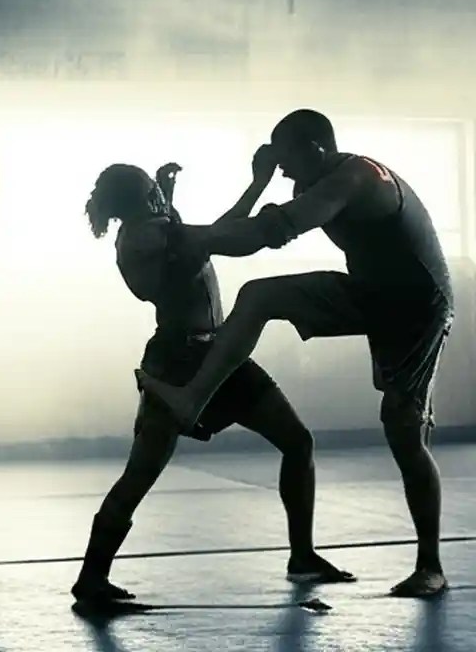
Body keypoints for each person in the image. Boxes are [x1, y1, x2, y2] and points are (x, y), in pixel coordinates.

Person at [138, 109, 453, 598]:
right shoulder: (313, 181)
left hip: (417, 305)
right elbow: (244, 240)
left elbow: (269, 232)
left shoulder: (355, 177)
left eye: (285, 161)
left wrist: (194, 235)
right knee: (259, 294)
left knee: (403, 429)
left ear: (315, 150)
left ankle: (430, 565)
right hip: (369, 292)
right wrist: (257, 183)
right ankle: (192, 398)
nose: (283, 173)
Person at [70, 160, 353, 606]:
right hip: (181, 360)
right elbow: (226, 235)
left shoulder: (147, 231)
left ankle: (302, 556)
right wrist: (259, 184)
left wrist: (168, 196)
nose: (159, 195)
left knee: (297, 441)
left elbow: (182, 245)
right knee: (142, 473)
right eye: (151, 190)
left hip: (217, 353)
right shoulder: (152, 234)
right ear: (140, 200)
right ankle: (91, 579)